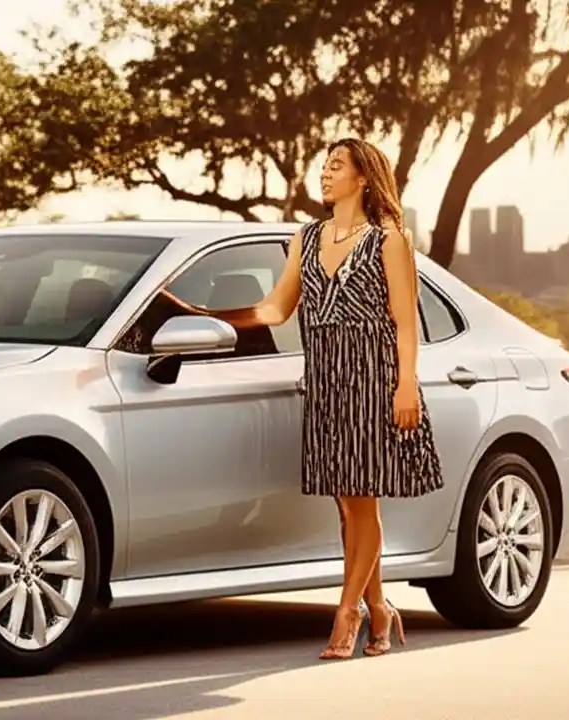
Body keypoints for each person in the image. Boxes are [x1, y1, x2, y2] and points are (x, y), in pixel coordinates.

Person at [159, 137, 444, 659]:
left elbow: (405, 323)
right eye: (324, 166)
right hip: (326, 380)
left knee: (362, 499)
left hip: (374, 378)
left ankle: (348, 613)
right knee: (348, 505)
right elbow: (275, 310)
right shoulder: (306, 238)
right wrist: (202, 315)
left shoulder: (389, 240)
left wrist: (407, 385)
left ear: (363, 178)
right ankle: (379, 608)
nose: (325, 173)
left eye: (336, 166)